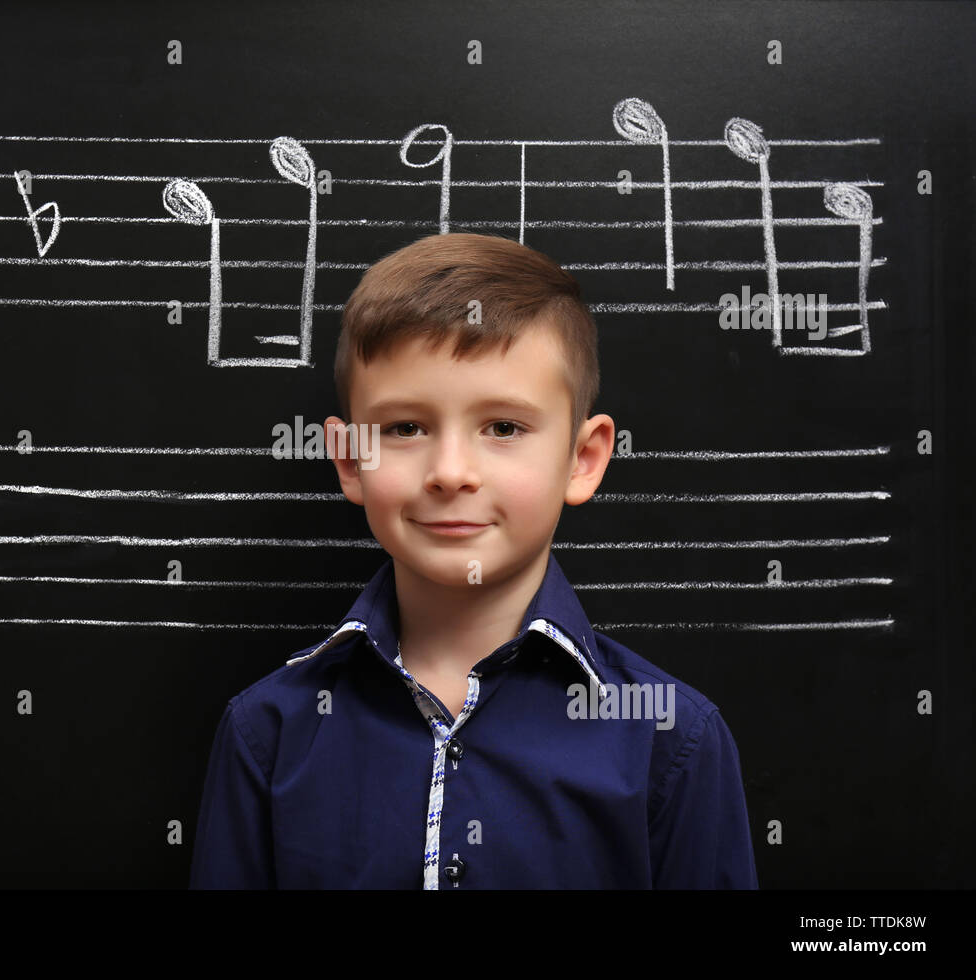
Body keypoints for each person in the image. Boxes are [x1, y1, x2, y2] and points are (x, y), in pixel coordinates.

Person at [189, 232, 758, 889]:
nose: (451, 472)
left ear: (583, 459)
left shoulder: (672, 739)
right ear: (350, 461)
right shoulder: (267, 733)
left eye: (504, 428)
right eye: (404, 428)